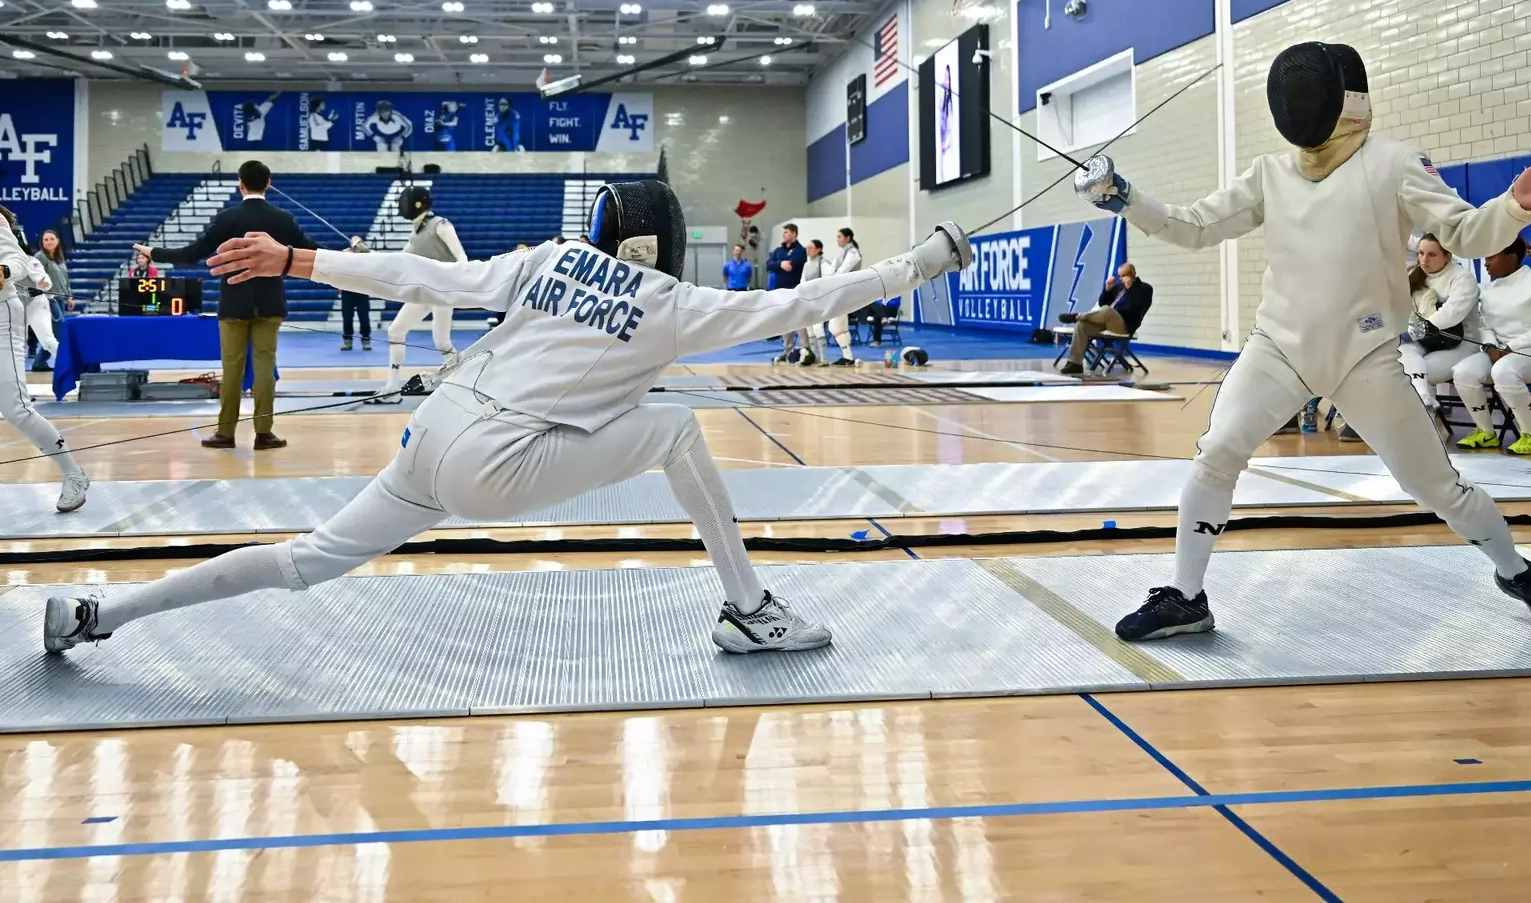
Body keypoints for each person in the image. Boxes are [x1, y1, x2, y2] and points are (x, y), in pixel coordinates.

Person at [41, 180, 972, 657]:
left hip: (435, 432)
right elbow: (812, 305)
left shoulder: (549, 259)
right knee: (678, 428)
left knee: (304, 559)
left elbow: (423, 277)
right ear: (665, 237)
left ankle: (97, 615)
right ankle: (748, 611)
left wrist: (302, 262)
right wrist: (923, 261)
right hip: (496, 462)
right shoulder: (683, 306)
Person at [1074, 40, 1531, 640]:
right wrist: (1125, 197)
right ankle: (1187, 598)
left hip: (1364, 358)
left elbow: (1465, 233)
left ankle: (1516, 571)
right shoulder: (1272, 172)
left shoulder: (1396, 163)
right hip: (1278, 349)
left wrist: (1513, 206)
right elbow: (1192, 228)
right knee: (1217, 452)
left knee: (1436, 486)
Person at [137, 160, 315, 450]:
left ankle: (226, 433)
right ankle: (264, 433)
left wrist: (154, 252)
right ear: (268, 182)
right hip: (270, 304)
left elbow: (192, 253)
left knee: (232, 369)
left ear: (240, 183)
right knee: (265, 368)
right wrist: (347, 255)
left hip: (233, 304)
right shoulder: (283, 218)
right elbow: (311, 251)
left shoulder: (227, 218)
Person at [0, 207, 88, 512]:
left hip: (2, 317)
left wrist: (4, 271)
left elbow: (19, 262)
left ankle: (73, 474)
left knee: (16, 408)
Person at [1452, 237, 1531, 455]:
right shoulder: (1488, 290)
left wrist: (1510, 346)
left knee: (1503, 371)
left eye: (1491, 257)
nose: (1485, 263)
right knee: (1463, 371)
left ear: (1512, 257)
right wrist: (1489, 347)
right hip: (1501, 352)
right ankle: (1486, 432)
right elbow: (1485, 326)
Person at [369, 186, 465, 402]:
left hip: (442, 292)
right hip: (424, 293)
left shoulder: (440, 224)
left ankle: (461, 383)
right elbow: (396, 261)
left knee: (441, 341)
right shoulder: (416, 234)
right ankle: (392, 388)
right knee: (395, 331)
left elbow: (462, 257)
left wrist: (458, 285)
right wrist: (366, 253)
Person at [1398, 233, 1479, 412]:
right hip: (1426, 341)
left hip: (1460, 344)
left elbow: (1449, 315)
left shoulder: (1462, 279)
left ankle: (1424, 414)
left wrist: (1412, 332)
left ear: (1447, 256)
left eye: (1432, 254)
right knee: (1401, 353)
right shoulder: (1414, 275)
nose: (1424, 260)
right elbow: (1409, 312)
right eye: (1420, 253)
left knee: (1412, 372)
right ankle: (1425, 399)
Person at [1058, 262, 1153, 375]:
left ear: (1132, 274)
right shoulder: (1118, 288)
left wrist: (1130, 289)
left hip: (1124, 324)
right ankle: (1074, 364)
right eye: (1120, 276)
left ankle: (1077, 316)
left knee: (1107, 311)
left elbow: (1136, 307)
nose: (1121, 279)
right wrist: (1107, 290)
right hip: (1106, 320)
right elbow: (1103, 303)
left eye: (1124, 275)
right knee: (1081, 324)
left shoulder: (1144, 288)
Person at [27, 229, 71, 372]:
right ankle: (57, 361)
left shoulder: (59, 257)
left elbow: (65, 278)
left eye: (52, 239)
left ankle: (40, 362)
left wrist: (69, 296)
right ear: (42, 242)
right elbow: (35, 277)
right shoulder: (40, 257)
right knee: (59, 333)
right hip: (48, 300)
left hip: (60, 298)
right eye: (46, 239)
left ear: (58, 240)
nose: (49, 242)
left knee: (55, 334)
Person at [821, 228, 862, 366]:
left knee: (835, 326)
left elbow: (842, 272)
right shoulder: (843, 253)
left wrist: (830, 281)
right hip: (840, 291)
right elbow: (832, 270)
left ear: (847, 238)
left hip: (845, 292)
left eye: (839, 236)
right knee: (841, 326)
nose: (837, 239)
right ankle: (848, 357)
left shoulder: (852, 253)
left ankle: (848, 356)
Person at [766, 223, 806, 362]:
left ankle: (805, 349)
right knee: (785, 321)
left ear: (794, 234)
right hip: (781, 291)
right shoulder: (778, 251)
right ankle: (787, 349)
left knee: (799, 321)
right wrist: (780, 264)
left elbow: (796, 263)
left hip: (795, 290)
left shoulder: (801, 250)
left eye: (787, 232)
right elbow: (769, 264)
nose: (784, 235)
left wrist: (786, 264)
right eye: (783, 232)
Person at [340, 236, 373, 352]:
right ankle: (347, 340)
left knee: (364, 318)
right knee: (347, 317)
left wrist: (363, 251)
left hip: (362, 291)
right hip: (347, 291)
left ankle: (366, 340)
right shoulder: (344, 254)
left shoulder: (367, 255)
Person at [800, 240, 827, 365]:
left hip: (819, 300)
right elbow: (803, 282)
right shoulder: (807, 264)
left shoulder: (823, 263)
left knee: (818, 328)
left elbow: (827, 281)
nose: (808, 250)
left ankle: (824, 358)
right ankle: (815, 357)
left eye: (811, 247)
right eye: (807, 247)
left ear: (819, 249)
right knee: (809, 329)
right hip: (808, 300)